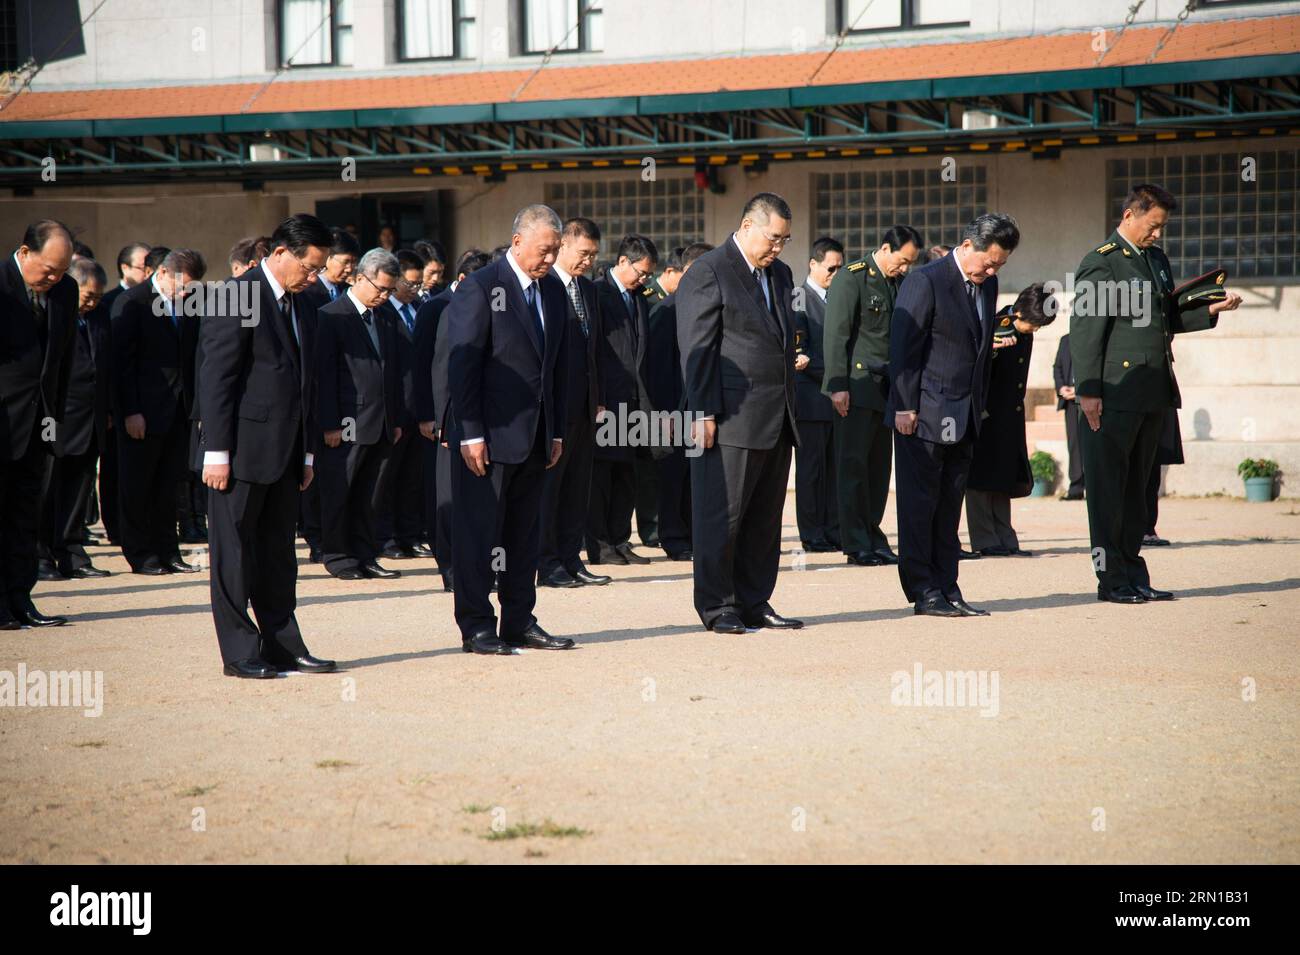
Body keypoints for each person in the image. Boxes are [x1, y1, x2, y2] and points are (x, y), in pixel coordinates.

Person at [1071, 183, 1241, 604]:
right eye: (1153, 225)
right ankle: (1111, 581)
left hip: (1152, 393)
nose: (1158, 234)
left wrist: (1208, 311)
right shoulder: (1102, 264)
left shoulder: (1155, 260)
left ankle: (1133, 573)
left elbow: (1164, 319)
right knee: (1109, 493)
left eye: (1162, 227)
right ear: (1130, 216)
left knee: (1137, 492)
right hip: (1113, 395)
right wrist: (1088, 391)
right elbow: (1087, 332)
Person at [199, 213, 336, 678]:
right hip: (238, 453)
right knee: (234, 555)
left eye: (319, 268)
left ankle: (282, 644)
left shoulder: (307, 299)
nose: (314, 276)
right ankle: (240, 652)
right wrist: (216, 451)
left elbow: (308, 381)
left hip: (288, 452)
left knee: (279, 554)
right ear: (280, 253)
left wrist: (309, 451)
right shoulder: (238, 295)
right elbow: (216, 377)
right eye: (310, 266)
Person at [444, 204, 573, 654]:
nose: (551, 259)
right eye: (544, 250)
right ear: (518, 242)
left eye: (557, 250)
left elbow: (556, 368)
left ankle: (519, 620)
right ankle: (477, 625)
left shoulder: (553, 291)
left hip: (536, 437)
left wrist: (555, 431)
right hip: (489, 438)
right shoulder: (482, 288)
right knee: (478, 535)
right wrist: (472, 434)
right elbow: (463, 366)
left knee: (524, 536)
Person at [677, 193, 802, 634]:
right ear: (748, 226)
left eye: (785, 240)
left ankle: (754, 601)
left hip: (776, 416)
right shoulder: (709, 271)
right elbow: (697, 350)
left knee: (764, 520)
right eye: (773, 238)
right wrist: (702, 413)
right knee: (721, 517)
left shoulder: (782, 275)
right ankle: (718, 605)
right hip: (727, 418)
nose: (778, 248)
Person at [889, 213, 1020, 618]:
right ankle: (923, 590)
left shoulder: (989, 284)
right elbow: (903, 349)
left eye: (1000, 264)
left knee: (949, 508)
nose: (993, 269)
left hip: (965, 415)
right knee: (919, 507)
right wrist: (904, 405)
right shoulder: (924, 280)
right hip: (923, 414)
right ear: (967, 247)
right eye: (989, 261)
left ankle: (948, 584)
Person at [824, 226, 923, 566]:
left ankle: (873, 533)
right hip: (856, 386)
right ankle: (855, 542)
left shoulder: (897, 283)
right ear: (885, 248)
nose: (905, 268)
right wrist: (837, 385)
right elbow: (836, 334)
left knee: (879, 470)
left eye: (910, 263)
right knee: (853, 467)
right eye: (902, 260)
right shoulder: (852, 278)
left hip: (886, 390)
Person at [0, 220, 78, 629]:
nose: (54, 277)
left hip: (38, 423)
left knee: (25, 516)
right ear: (25, 251)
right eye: (48, 269)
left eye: (63, 270)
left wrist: (54, 419)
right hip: (2, 418)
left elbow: (61, 361)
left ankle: (21, 599)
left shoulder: (65, 291)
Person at [313, 249, 406, 581]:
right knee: (341, 491)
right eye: (379, 288)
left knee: (372, 494)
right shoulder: (330, 315)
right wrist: (329, 422)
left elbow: (391, 371)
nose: (383, 296)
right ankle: (338, 555)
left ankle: (366, 555)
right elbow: (324, 375)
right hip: (346, 422)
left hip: (381, 422)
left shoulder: (385, 317)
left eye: (389, 291)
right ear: (358, 278)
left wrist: (394, 419)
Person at [113, 248, 205, 575]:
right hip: (143, 411)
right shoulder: (133, 303)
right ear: (162, 273)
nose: (185, 292)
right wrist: (130, 410)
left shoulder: (190, 304)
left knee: (170, 486)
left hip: (179, 411)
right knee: (138, 485)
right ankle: (141, 554)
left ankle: (169, 551)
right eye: (182, 286)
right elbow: (122, 364)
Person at [537, 218, 612, 589]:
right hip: (554, 408)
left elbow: (594, 350)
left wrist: (597, 400)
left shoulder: (589, 289)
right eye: (583, 253)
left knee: (576, 489)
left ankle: (571, 559)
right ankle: (546, 563)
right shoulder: (542, 285)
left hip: (584, 408)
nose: (588, 261)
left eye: (594, 255)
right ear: (563, 246)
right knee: (550, 489)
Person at [417, 248, 492, 590]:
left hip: (476, 417)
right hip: (447, 418)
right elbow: (434, 369)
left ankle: (474, 566)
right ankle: (448, 565)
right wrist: (435, 417)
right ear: (464, 280)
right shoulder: (440, 308)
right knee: (446, 497)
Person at [965, 283, 1054, 557]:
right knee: (980, 480)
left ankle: (1005, 537)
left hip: (1009, 417)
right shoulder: (997, 327)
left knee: (1003, 478)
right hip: (986, 416)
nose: (1035, 330)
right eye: (1033, 324)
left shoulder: (1022, 333)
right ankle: (984, 539)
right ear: (1018, 313)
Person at [38, 258, 113, 581]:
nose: (92, 302)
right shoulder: (55, 313)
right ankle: (40, 555)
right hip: (59, 418)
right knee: (48, 489)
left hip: (91, 419)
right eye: (88, 295)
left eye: (97, 296)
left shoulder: (97, 318)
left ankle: (71, 553)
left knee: (78, 491)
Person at [589, 233, 659, 566]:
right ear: (622, 262)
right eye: (641, 272)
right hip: (607, 403)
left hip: (635, 402)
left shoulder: (639, 298)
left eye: (649, 275)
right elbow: (595, 354)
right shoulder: (598, 295)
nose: (644, 280)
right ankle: (600, 544)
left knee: (627, 476)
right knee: (603, 476)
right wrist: (597, 398)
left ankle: (620, 539)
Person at [646, 241, 712, 562]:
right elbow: (657, 368)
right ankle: (672, 537)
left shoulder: (703, 307)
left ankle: (692, 535)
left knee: (692, 477)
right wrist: (665, 413)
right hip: (672, 410)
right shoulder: (666, 309)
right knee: (672, 477)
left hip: (697, 407)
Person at [298, 227, 361, 561]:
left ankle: (332, 534)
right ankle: (316, 537)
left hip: (344, 399)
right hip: (319, 399)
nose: (350, 268)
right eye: (346, 261)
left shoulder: (342, 293)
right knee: (316, 474)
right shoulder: (310, 295)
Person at [373, 249, 424, 560]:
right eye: (411, 283)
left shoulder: (420, 309)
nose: (416, 290)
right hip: (393, 410)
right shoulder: (383, 313)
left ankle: (409, 534)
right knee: (386, 479)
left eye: (419, 285)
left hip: (417, 410)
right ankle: (385, 538)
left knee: (411, 480)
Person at [1052, 333, 1085, 500]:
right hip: (1070, 403)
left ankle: (1094, 488)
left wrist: (1079, 390)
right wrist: (1061, 388)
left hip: (1091, 399)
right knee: (1074, 445)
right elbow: (1057, 367)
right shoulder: (1065, 339)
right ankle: (1076, 488)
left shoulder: (1095, 338)